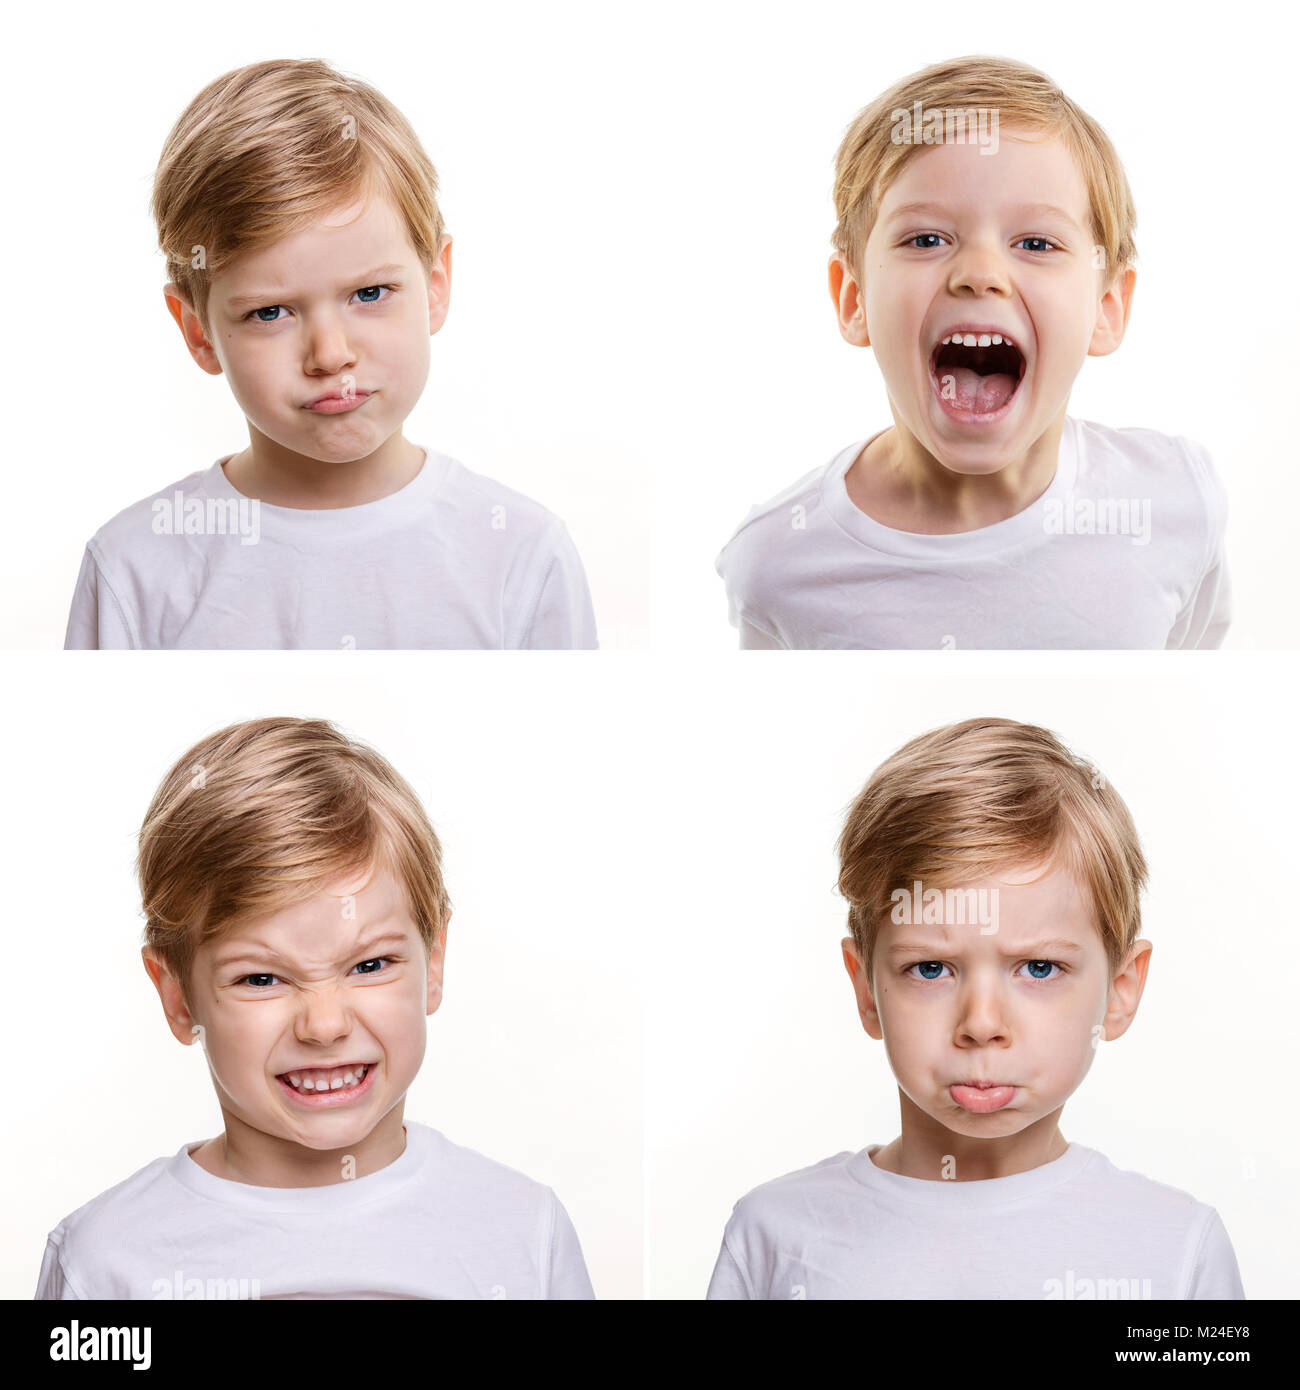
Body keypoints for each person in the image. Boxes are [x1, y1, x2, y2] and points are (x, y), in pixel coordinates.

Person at [36, 717, 594, 1298]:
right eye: (261, 978)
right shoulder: (102, 1261)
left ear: (434, 962)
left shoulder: (524, 1233)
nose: (325, 1025)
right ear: (176, 996)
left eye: (370, 965)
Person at [65, 59, 596, 649]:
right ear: (198, 331)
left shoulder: (522, 554)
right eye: (270, 312)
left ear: (436, 286)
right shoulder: (133, 569)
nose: (330, 354)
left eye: (370, 293)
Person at [707, 717, 1243, 1298]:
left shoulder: (1177, 1250)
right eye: (930, 969)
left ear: (1120, 991)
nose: (982, 1025)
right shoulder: (773, 1238)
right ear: (866, 990)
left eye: (1039, 968)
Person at [716, 56, 1228, 649]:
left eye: (1036, 243)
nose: (981, 273)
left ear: (1107, 307)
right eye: (927, 239)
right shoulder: (779, 563)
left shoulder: (1176, 500)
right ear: (853, 299)